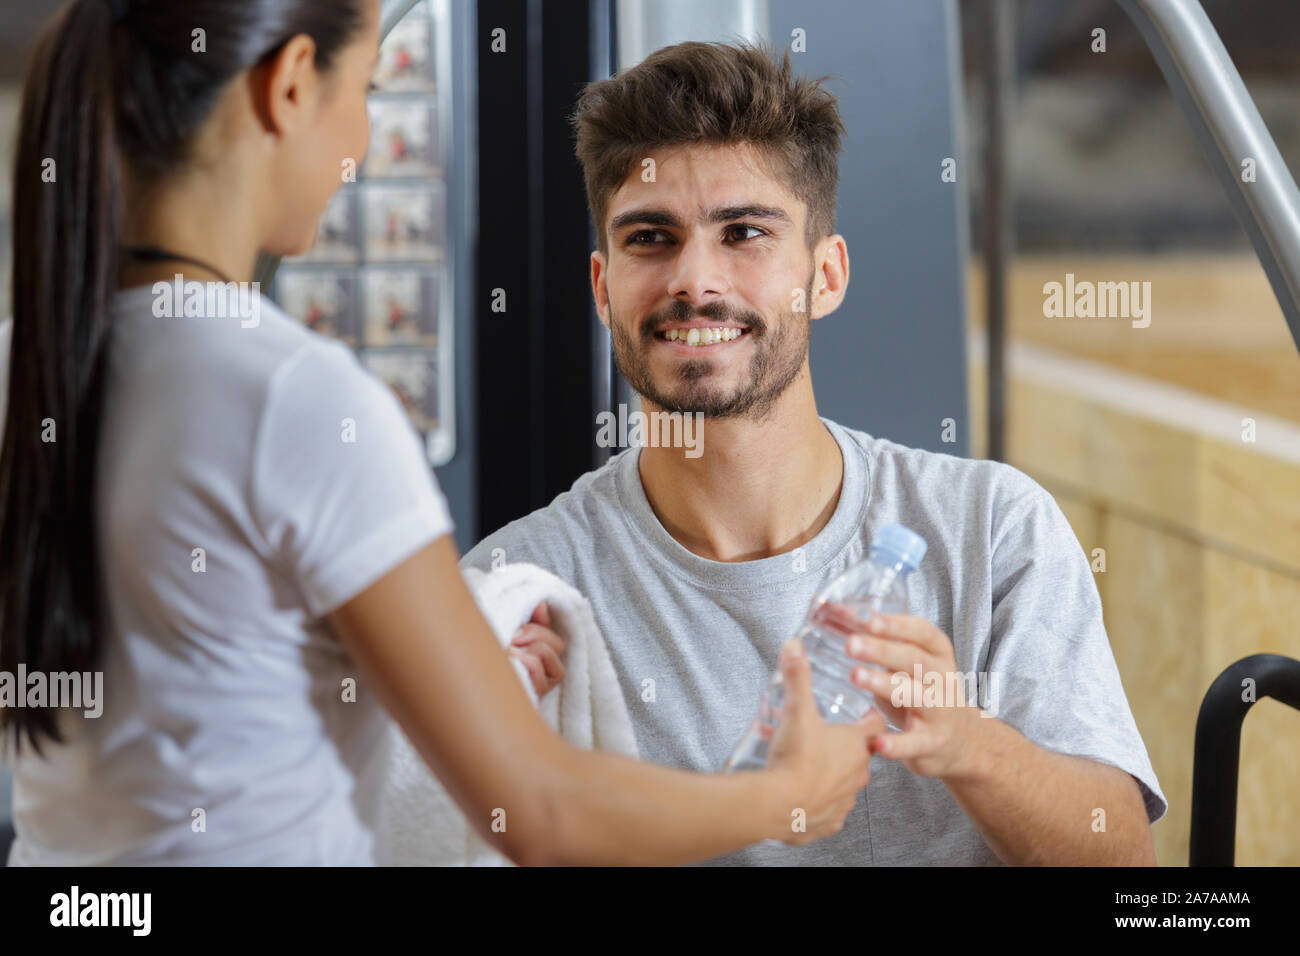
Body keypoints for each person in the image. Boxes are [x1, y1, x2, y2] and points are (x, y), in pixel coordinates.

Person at [0, 0, 881, 866]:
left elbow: (214, 684)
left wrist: (447, 680)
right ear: (293, 87)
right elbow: (540, 813)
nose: (361, 141)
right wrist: (783, 796)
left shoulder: (22, 365)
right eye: (368, 89)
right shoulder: (295, 400)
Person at [460, 40, 1169, 865]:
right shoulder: (525, 593)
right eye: (651, 237)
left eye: (745, 233)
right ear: (602, 287)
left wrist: (966, 743)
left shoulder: (993, 531)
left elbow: (1126, 867)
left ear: (824, 277)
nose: (696, 279)